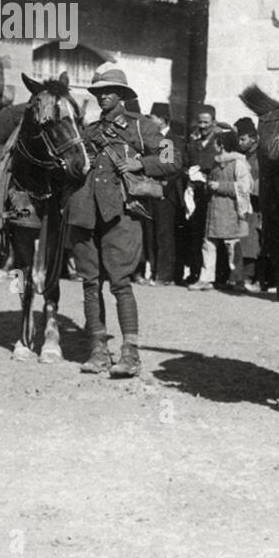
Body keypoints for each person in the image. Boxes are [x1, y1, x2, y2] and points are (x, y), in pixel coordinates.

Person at [69, 67, 177, 378]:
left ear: (123, 95)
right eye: (99, 91)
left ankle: (130, 353)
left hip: (121, 214)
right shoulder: (88, 131)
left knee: (120, 283)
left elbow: (173, 159)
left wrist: (141, 162)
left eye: (110, 90)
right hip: (86, 213)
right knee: (90, 283)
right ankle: (98, 348)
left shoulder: (142, 127)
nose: (103, 95)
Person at [190, 129, 253, 292]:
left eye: (216, 143)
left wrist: (221, 187)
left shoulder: (239, 163)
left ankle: (238, 280)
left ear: (222, 145)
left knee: (232, 245)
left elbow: (245, 188)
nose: (214, 146)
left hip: (231, 211)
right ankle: (206, 279)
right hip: (214, 209)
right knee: (209, 244)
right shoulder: (216, 162)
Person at [139, 103, 182, 286]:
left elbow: (172, 168)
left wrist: (164, 189)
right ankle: (155, 270)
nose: (150, 121)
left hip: (166, 193)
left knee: (164, 234)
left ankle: (164, 275)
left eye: (153, 118)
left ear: (162, 120)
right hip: (151, 191)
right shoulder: (152, 139)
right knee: (151, 233)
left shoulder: (171, 139)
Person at [181, 104, 218, 284]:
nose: (202, 126)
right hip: (195, 194)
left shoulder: (218, 144)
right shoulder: (192, 145)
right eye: (200, 122)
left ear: (214, 122)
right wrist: (189, 172)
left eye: (206, 122)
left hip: (212, 195)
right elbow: (183, 165)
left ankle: (215, 275)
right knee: (195, 235)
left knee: (211, 236)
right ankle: (195, 272)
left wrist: (207, 175)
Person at [234, 116, 262, 292]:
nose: (240, 142)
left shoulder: (260, 156)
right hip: (246, 204)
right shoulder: (244, 154)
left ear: (253, 138)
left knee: (253, 243)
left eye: (243, 138)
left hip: (257, 203)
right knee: (247, 242)